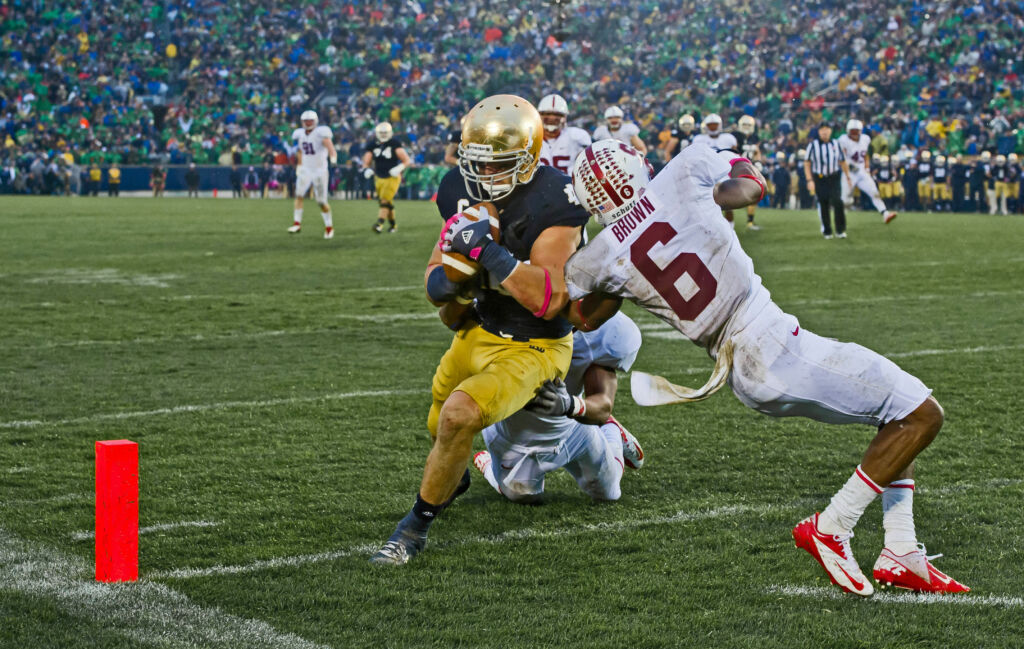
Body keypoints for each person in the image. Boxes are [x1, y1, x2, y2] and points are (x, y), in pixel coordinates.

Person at [564, 139, 969, 597]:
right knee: (922, 413)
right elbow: (752, 188)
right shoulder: (681, 171)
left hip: (739, 368)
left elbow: (584, 317)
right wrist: (731, 170)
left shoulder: (598, 256)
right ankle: (832, 526)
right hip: (773, 344)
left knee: (898, 407)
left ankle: (901, 549)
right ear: (636, 168)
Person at [370, 94, 590, 566]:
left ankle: (412, 529)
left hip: (536, 344)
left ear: (530, 157)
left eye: (500, 166)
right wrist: (453, 275)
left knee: (457, 417)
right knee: (439, 426)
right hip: (478, 326)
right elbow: (435, 281)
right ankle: (455, 475)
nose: (485, 178)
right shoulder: (458, 188)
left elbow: (549, 299)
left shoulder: (557, 201)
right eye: (477, 165)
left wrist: (488, 254)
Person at [473, 311, 644, 503]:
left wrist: (570, 405)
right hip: (513, 435)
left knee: (609, 493)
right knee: (521, 497)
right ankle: (488, 464)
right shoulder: (502, 308)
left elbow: (603, 402)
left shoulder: (602, 331)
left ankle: (611, 429)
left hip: (573, 428)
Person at [287, 110, 337, 239]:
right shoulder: (299, 134)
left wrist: (333, 158)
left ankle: (329, 227)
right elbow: (300, 151)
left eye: (310, 121)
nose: (308, 123)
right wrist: (299, 165)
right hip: (306, 169)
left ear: (315, 121)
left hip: (319, 170)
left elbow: (330, 147)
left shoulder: (321, 133)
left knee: (321, 201)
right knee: (298, 195)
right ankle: (297, 223)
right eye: (306, 121)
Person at [838, 120, 897, 223]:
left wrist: (867, 168)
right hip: (849, 172)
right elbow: (841, 159)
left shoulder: (865, 139)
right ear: (848, 131)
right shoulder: (843, 140)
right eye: (853, 131)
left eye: (857, 131)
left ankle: (885, 213)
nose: (855, 134)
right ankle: (840, 220)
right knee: (846, 199)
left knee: (874, 192)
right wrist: (849, 171)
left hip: (861, 171)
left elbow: (866, 155)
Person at [362, 121, 412, 234]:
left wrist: (399, 168)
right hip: (379, 176)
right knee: (385, 202)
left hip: (392, 176)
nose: (384, 135)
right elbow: (366, 161)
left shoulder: (395, 143)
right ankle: (393, 225)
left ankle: (379, 224)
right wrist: (366, 169)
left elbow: (407, 160)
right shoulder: (372, 144)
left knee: (385, 200)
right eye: (382, 133)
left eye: (385, 133)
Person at [804, 122, 852, 238]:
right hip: (820, 178)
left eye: (827, 129)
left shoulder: (836, 144)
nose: (825, 132)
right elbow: (807, 163)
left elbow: (842, 161)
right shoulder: (813, 145)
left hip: (834, 176)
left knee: (838, 202)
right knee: (823, 202)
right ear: (819, 132)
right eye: (822, 129)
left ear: (830, 131)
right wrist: (809, 180)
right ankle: (827, 230)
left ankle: (840, 230)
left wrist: (848, 176)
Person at [537, 93, 592, 175]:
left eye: (557, 114)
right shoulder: (530, 138)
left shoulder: (577, 137)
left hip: (569, 186)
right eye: (547, 114)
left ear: (565, 117)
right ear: (539, 115)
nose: (552, 118)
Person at [732, 115, 762, 230]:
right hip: (735, 168)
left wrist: (758, 161)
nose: (746, 127)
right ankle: (727, 223)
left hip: (749, 168)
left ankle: (750, 221)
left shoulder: (754, 138)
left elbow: (757, 152)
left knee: (753, 193)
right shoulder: (735, 137)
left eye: (748, 125)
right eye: (744, 125)